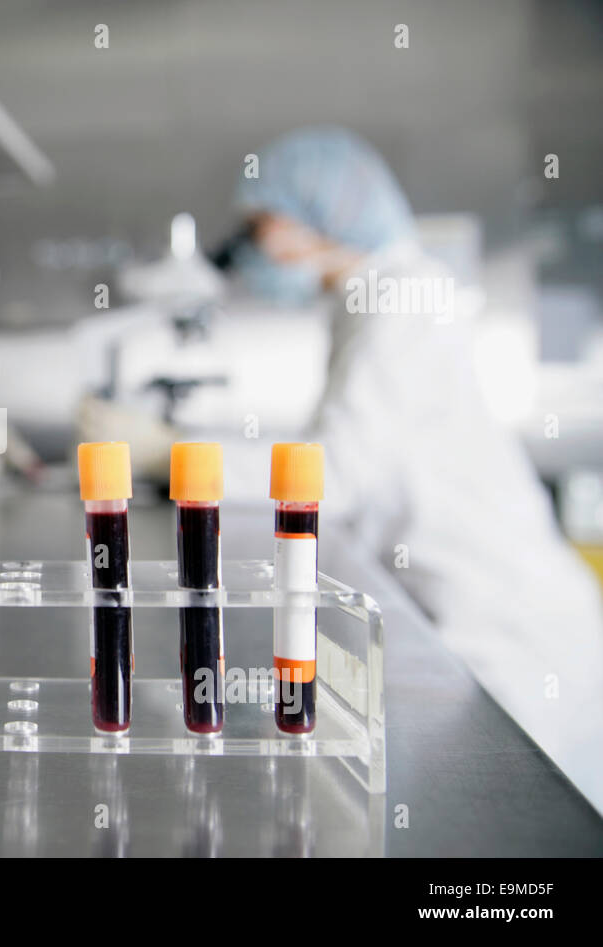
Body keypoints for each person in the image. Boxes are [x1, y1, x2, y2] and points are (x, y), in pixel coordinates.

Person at [81, 126, 603, 812]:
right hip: (474, 610)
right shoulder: (371, 301)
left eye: (262, 223)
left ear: (322, 217)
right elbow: (330, 448)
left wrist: (169, 452)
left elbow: (340, 472)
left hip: (510, 630)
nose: (254, 247)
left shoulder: (403, 301)